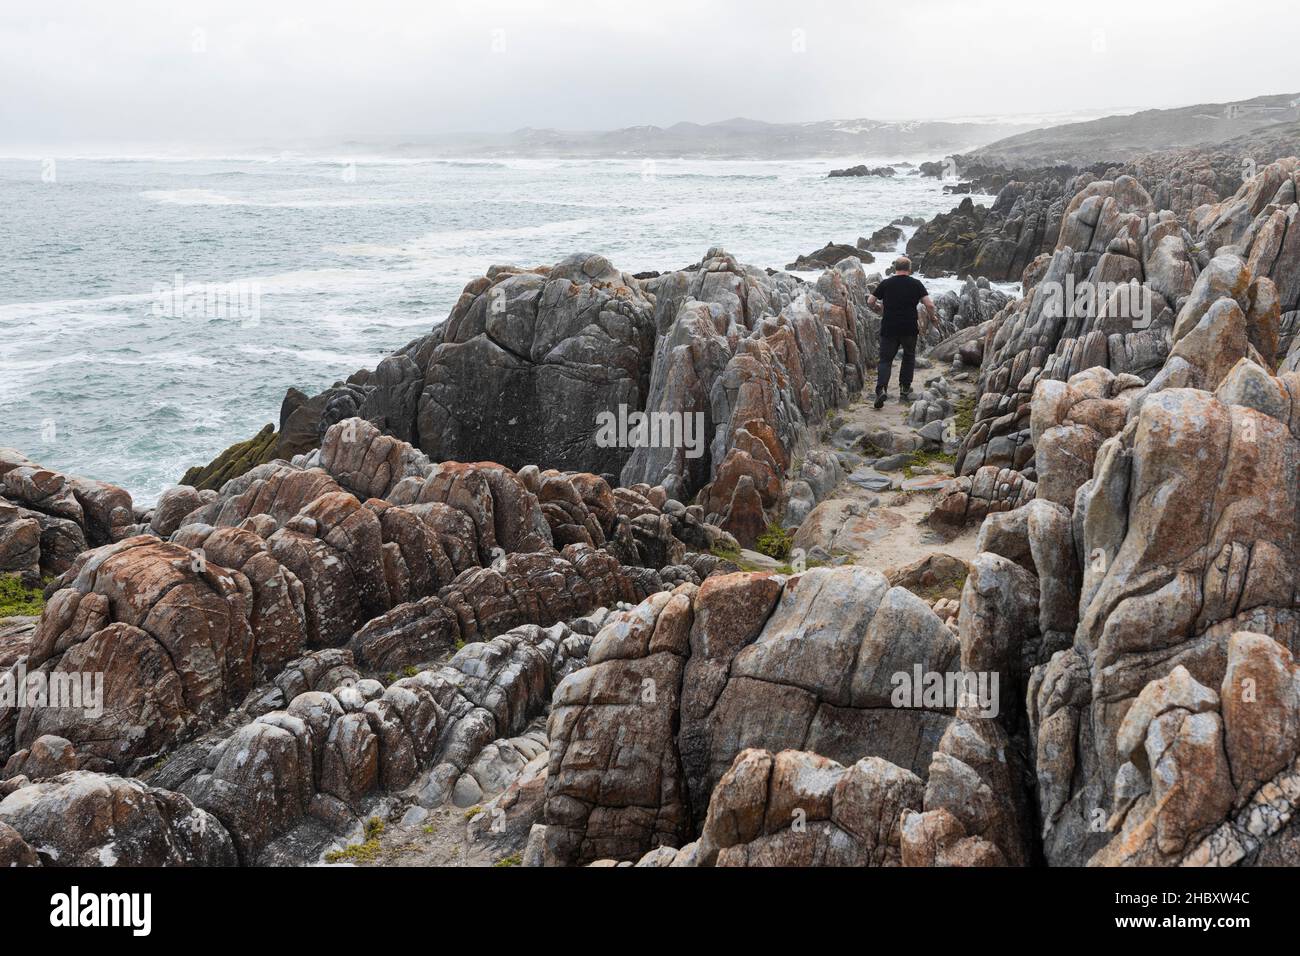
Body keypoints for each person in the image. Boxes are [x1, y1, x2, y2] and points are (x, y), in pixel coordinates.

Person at [867, 256, 937, 409]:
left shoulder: (886, 283)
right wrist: (932, 317)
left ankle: (881, 390)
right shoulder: (916, 284)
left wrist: (879, 308)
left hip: (889, 327)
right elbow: (929, 305)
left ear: (895, 268)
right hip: (909, 327)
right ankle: (904, 390)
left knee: (885, 360)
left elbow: (870, 301)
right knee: (909, 356)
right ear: (909, 269)